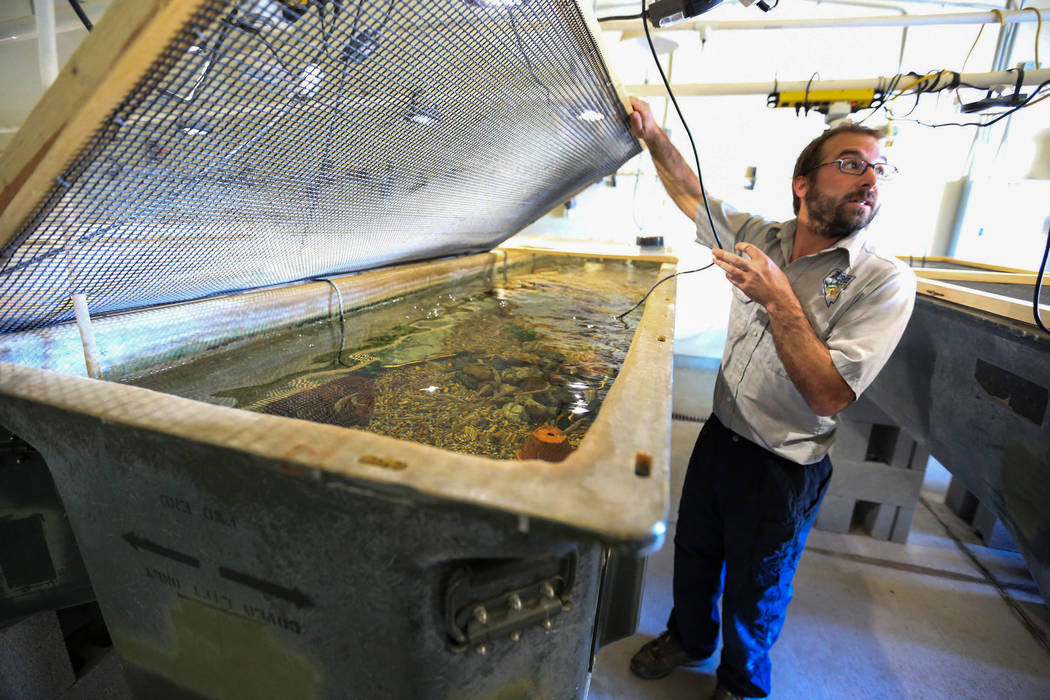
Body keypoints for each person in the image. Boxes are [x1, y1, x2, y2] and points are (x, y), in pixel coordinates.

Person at [625, 97, 916, 700]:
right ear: (802, 184)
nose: (871, 179)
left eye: (881, 170)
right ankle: (689, 638)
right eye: (853, 164)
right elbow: (691, 195)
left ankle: (742, 683)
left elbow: (830, 393)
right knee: (695, 550)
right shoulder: (762, 237)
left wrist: (779, 297)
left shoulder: (883, 281)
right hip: (722, 430)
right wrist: (653, 134)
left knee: (758, 584)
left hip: (786, 462)